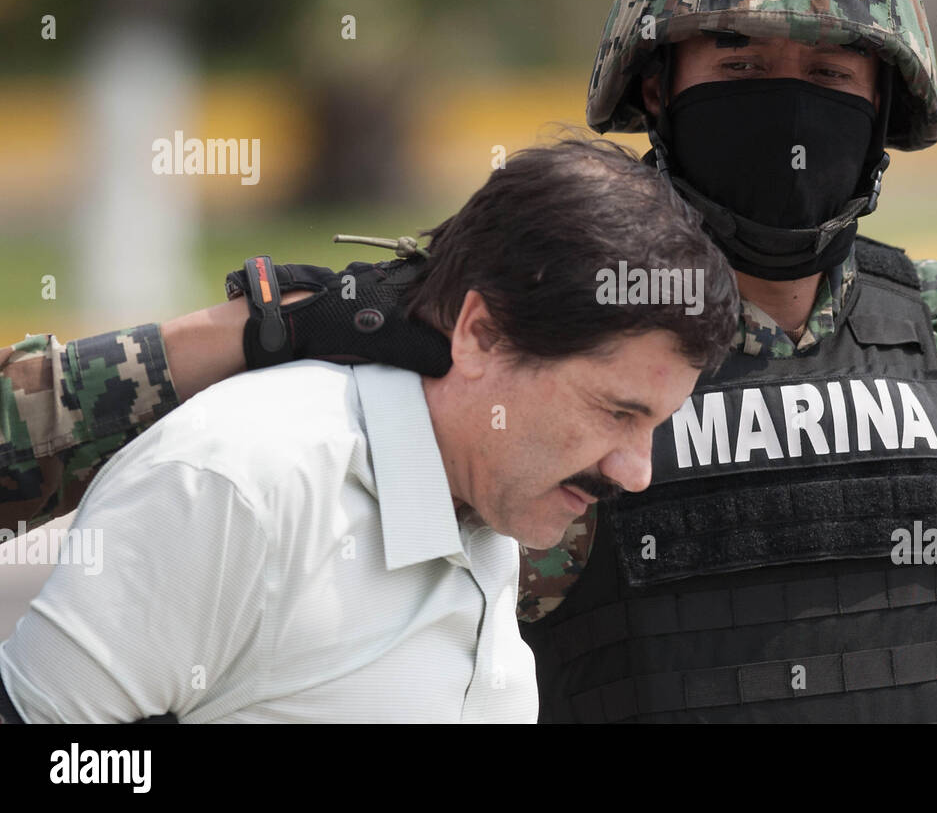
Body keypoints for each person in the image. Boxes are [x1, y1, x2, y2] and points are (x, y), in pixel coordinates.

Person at [2, 0, 937, 723]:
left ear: (887, 109)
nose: (787, 106)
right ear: (657, 86)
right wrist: (255, 335)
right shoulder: (488, 329)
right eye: (739, 57)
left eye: (830, 73)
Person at [0, 140, 738, 723]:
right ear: (480, 336)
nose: (636, 470)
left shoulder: (492, 496)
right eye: (616, 412)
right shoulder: (240, 486)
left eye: (654, 425)